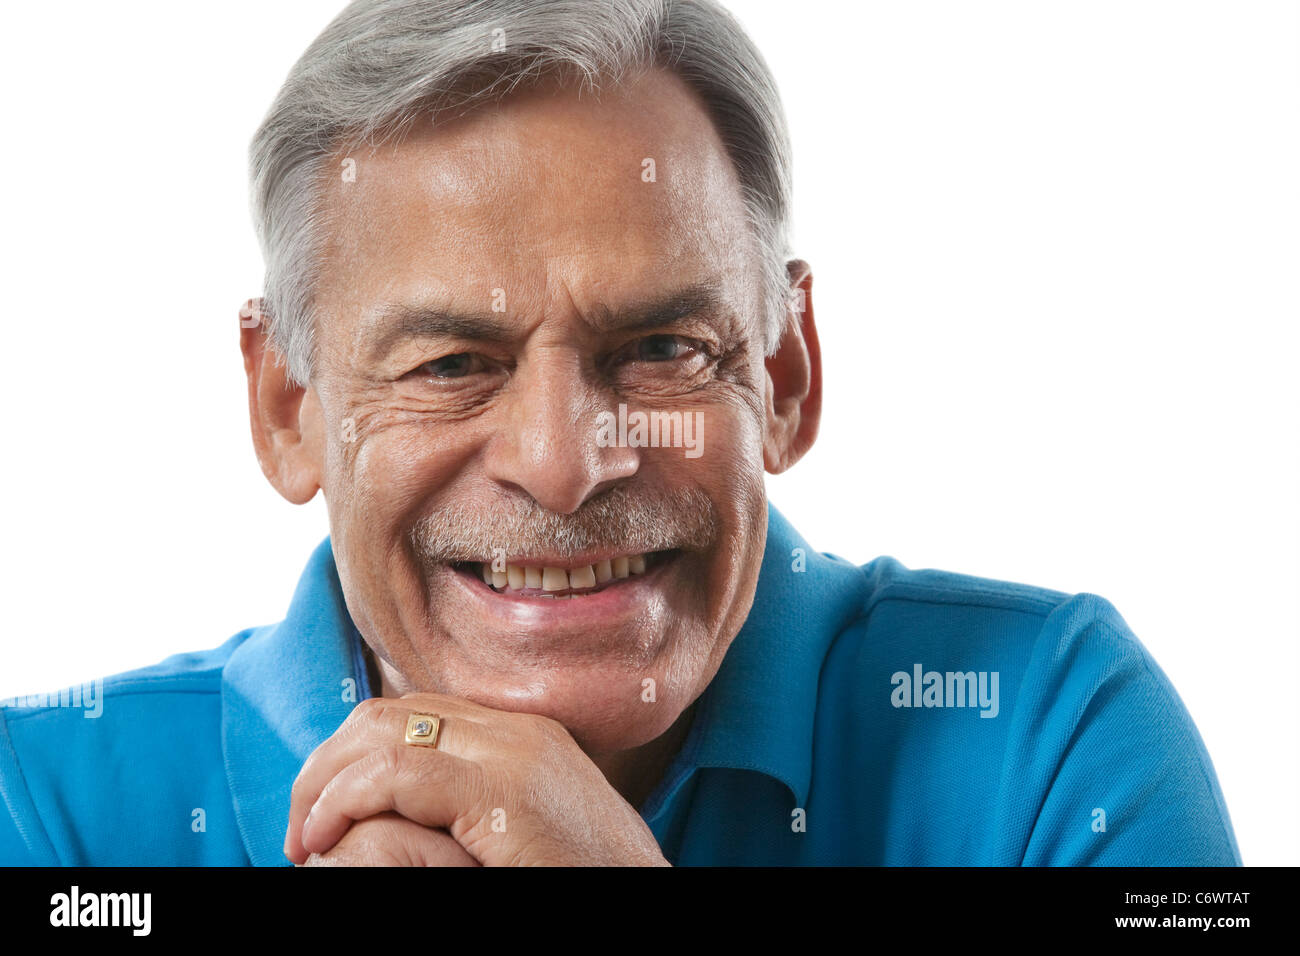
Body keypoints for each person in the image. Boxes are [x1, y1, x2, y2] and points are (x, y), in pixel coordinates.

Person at [0, 0, 1239, 866]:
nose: (559, 457)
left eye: (659, 348)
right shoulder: (45, 806)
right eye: (450, 364)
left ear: (788, 371)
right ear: (287, 408)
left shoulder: (1050, 727)